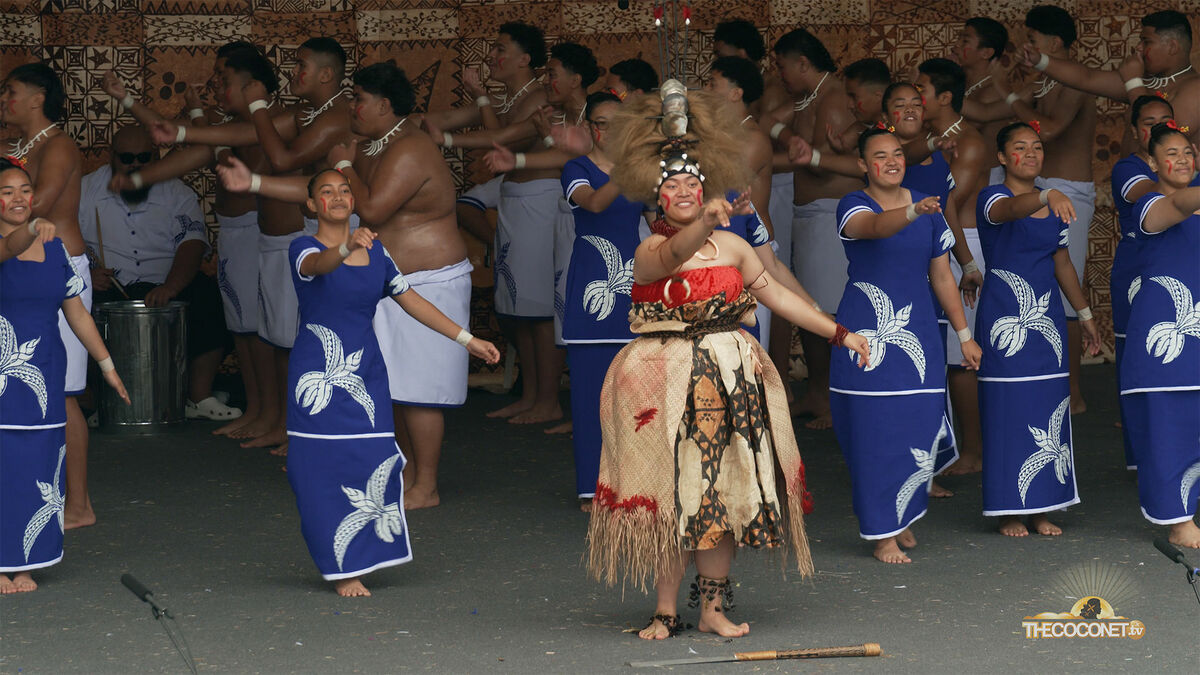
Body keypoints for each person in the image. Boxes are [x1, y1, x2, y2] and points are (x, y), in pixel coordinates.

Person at [585, 87, 870, 640]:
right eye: (675, 187)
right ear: (658, 199)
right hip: (660, 379)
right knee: (670, 491)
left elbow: (779, 298)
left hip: (730, 375)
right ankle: (666, 610)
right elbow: (672, 257)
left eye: (695, 184)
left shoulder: (735, 249)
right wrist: (707, 219)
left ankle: (712, 608)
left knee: (720, 489)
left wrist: (838, 332)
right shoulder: (648, 249)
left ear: (707, 188)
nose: (686, 192)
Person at [285, 169, 498, 596]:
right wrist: (347, 244)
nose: (338, 197)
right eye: (326, 192)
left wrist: (466, 339)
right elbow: (321, 265)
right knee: (320, 468)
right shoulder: (302, 248)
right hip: (318, 375)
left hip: (366, 373)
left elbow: (412, 300)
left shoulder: (378, 253)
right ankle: (340, 566)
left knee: (371, 458)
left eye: (345, 190)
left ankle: (361, 556)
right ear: (312, 205)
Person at [830, 126, 981, 564]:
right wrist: (914, 211)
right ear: (863, 165)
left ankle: (902, 513)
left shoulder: (929, 209)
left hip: (917, 332)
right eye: (880, 155)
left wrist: (964, 335)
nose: (892, 161)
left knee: (919, 419)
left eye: (897, 153)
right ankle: (883, 534)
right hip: (866, 333)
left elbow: (941, 276)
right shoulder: (853, 204)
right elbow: (874, 228)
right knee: (876, 430)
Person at [99, 42, 266, 439]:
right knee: (245, 331)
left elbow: (185, 138)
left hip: (266, 236)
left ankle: (274, 416)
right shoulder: (230, 124)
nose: (216, 85)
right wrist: (132, 106)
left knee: (267, 333)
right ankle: (261, 412)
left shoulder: (265, 122)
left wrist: (185, 119)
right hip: (235, 235)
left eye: (223, 78)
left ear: (252, 84)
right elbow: (193, 145)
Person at [0, 157, 130, 594]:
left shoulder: (56, 250)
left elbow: (77, 316)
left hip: (43, 373)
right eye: (7, 191)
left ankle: (25, 562)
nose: (18, 198)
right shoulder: (15, 239)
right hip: (4, 375)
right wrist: (33, 228)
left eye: (24, 190)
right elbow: (9, 248)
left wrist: (108, 367)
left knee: (39, 463)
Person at [975, 122, 1100, 538]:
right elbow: (1010, 212)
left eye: (1037, 147)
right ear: (1001, 156)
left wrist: (1084, 315)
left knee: (1048, 409)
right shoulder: (993, 197)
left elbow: (1061, 261)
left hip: (1046, 323)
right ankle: (1010, 510)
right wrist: (1048, 193)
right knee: (1009, 410)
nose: (1030, 154)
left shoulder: (1054, 206)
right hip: (1005, 319)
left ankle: (1043, 505)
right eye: (1020, 147)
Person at [79, 125, 235, 420]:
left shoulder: (176, 191)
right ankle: (97, 401)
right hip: (110, 287)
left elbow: (192, 243)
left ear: (157, 155)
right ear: (111, 156)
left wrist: (171, 287)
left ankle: (199, 395)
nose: (135, 164)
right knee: (73, 300)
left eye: (144, 157)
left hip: (165, 285)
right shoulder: (85, 190)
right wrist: (89, 273)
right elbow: (66, 240)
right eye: (126, 158)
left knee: (210, 293)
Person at [1, 62, 95, 530]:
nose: (4, 100)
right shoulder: (16, 147)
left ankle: (78, 504)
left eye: (10, 91)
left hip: (61, 273)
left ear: (37, 98)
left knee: (62, 391)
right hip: (18, 277)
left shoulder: (58, 146)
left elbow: (34, 205)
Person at [992, 5, 1097, 415]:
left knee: (1066, 290)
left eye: (1032, 39)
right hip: (1038, 192)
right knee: (1038, 285)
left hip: (1069, 191)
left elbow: (1046, 131)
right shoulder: (1045, 82)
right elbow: (995, 116)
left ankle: (1073, 393)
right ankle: (1046, 377)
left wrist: (1010, 94)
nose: (1026, 48)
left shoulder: (1075, 82)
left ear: (1055, 44)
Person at [771, 28, 860, 429]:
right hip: (808, 214)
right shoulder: (807, 98)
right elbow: (768, 125)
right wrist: (789, 137)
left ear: (803, 64)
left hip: (829, 212)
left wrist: (799, 154)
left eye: (783, 65)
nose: (779, 73)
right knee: (810, 307)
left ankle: (834, 398)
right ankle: (817, 392)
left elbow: (833, 160)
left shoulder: (834, 99)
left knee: (829, 309)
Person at [559, 92, 641, 509]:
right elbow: (591, 203)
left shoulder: (639, 171)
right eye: (601, 122)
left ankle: (635, 483)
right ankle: (592, 488)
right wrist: (629, 173)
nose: (607, 130)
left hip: (634, 290)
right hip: (591, 291)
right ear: (591, 126)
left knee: (636, 398)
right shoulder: (578, 168)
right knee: (591, 396)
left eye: (616, 122)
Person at [1122, 122, 1200, 548]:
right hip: (1164, 332)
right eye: (1172, 153)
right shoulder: (1149, 205)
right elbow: (1180, 206)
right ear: (1152, 163)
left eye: (1189, 152)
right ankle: (1178, 521)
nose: (1183, 160)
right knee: (1170, 424)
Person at [915, 58, 990, 476]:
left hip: (965, 244)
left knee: (961, 355)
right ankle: (950, 449)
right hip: (934, 244)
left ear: (945, 97)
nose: (916, 98)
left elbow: (949, 206)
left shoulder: (971, 141)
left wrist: (965, 263)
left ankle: (974, 452)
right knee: (940, 352)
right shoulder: (926, 140)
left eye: (922, 90)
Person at [1108, 96, 1188, 471]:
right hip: (1141, 279)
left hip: (1190, 284)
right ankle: (1143, 458)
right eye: (1149, 123)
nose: (1158, 127)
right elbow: (1163, 201)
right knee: (1145, 363)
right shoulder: (1130, 169)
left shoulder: (1189, 170)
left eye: (1167, 121)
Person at [1018, 10, 1199, 148]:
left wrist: (1134, 83)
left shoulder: (1195, 88)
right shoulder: (1145, 82)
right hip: (1136, 191)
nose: (1138, 48)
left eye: (1146, 41)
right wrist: (1039, 60)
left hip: (1170, 196)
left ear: (1173, 47)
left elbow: (1160, 140)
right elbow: (1086, 78)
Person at [956, 17, 1013, 180]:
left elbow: (958, 132)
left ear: (986, 52)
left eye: (965, 40)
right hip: (967, 175)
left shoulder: (992, 91)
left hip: (988, 179)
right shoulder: (965, 85)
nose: (956, 46)